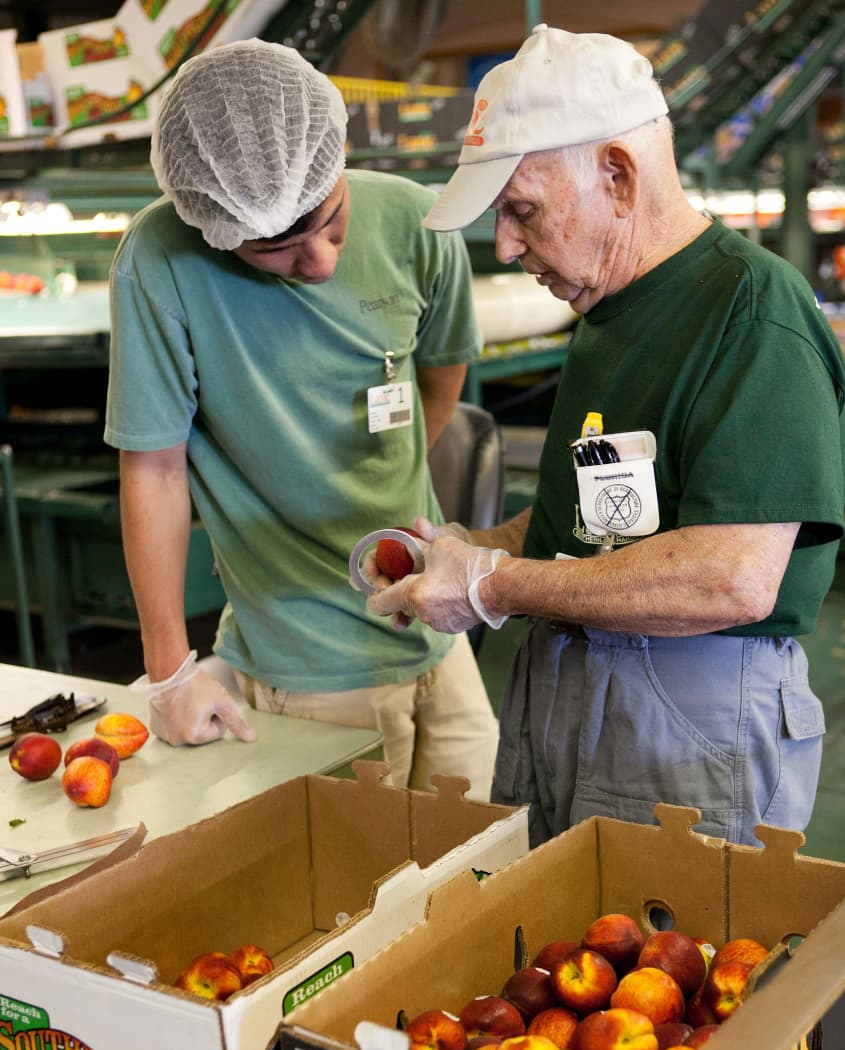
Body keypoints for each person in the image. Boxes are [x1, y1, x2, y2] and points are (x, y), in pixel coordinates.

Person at [369, 25, 845, 847]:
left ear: (616, 176)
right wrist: (472, 549)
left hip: (686, 708)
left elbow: (728, 581)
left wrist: (496, 586)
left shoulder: (750, 313)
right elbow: (592, 524)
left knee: (670, 955)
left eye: (521, 210)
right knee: (554, 944)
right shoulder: (605, 308)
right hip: (569, 683)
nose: (508, 245)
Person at [104, 39, 499, 798]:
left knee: (475, 858)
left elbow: (436, 385)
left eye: (329, 222)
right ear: (214, 230)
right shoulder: (159, 262)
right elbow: (153, 468)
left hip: (434, 628)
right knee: (353, 896)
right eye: (274, 251)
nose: (317, 261)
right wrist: (167, 672)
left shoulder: (419, 224)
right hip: (301, 658)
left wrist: (389, 501)